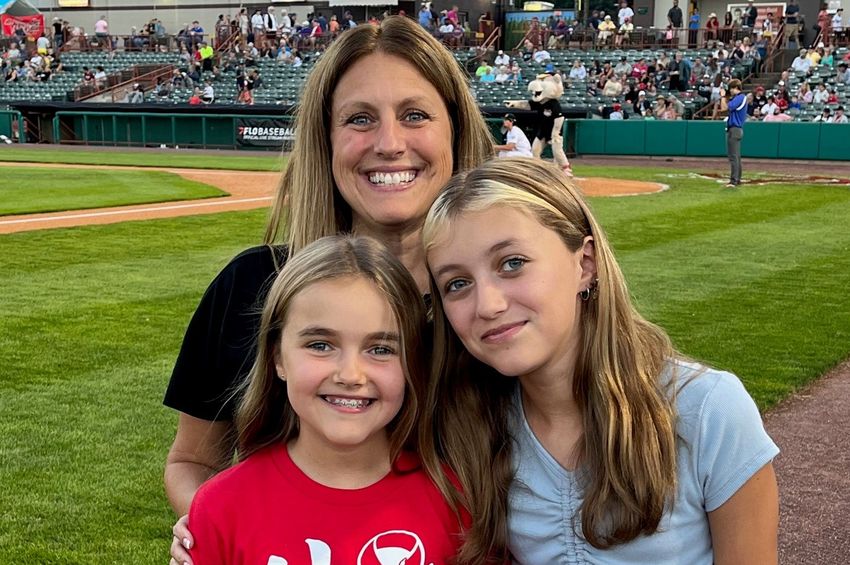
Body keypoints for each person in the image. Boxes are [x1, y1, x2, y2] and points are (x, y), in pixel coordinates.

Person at [165, 15, 493, 564]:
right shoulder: (253, 287)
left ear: (456, 132)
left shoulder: (492, 308)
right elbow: (191, 462)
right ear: (326, 139)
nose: (389, 144)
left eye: (415, 115)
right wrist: (224, 528)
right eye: (359, 119)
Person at [420, 157, 780, 564]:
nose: (487, 304)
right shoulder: (469, 423)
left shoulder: (708, 410)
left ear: (585, 264)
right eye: (457, 284)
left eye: (512, 263)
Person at [187, 235, 465, 562]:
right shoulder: (223, 506)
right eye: (320, 345)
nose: (350, 375)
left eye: (381, 349)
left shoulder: (454, 502)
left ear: (412, 363)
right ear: (278, 357)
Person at [723, 78, 747, 187]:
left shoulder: (740, 97)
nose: (730, 91)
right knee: (736, 156)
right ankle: (737, 178)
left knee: (733, 156)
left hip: (735, 129)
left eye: (731, 88)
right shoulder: (738, 98)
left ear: (736, 88)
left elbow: (729, 106)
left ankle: (734, 179)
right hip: (735, 129)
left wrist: (724, 97)